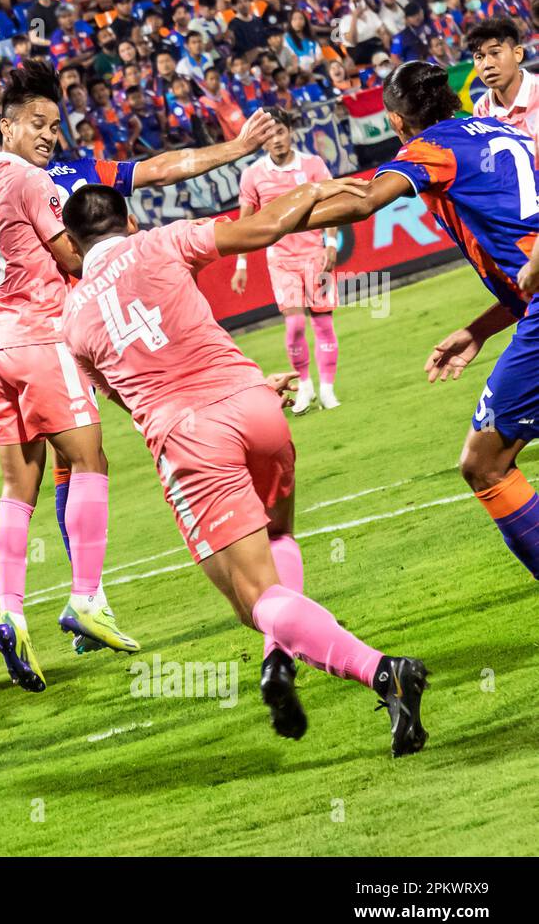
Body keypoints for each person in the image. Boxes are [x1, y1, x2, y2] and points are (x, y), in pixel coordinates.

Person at [57, 157, 429, 762]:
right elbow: (263, 227)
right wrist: (311, 188)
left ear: (72, 246)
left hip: (191, 437)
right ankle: (277, 662)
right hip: (255, 404)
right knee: (278, 536)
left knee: (252, 601)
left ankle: (385, 673)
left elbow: (128, 399)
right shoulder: (164, 240)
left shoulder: (72, 322)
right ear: (129, 219)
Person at [0, 61, 140, 692]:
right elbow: (69, 252)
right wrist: (117, 251)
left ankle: (10, 614)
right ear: (8, 127)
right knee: (92, 461)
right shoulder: (29, 178)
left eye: (54, 125)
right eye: (38, 124)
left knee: (18, 489)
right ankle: (87, 599)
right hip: (44, 339)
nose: (49, 135)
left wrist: (3, 244)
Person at [304, 61, 539, 586]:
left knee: (484, 464)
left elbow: (365, 202)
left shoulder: (429, 149)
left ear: (395, 120)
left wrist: (274, 221)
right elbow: (524, 258)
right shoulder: (500, 130)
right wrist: (478, 330)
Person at [232, 108, 341, 413]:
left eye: (280, 132)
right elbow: (244, 223)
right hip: (281, 260)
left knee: (323, 323)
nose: (276, 140)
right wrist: (241, 265)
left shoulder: (313, 164)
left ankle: (328, 390)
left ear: (291, 132)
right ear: (262, 140)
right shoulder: (253, 174)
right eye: (269, 135)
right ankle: (304, 385)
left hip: (315, 255)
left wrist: (331, 243)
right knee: (294, 324)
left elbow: (332, 205)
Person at [468, 17, 539, 139]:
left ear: (517, 54)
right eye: (479, 57)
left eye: (495, 53)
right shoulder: (481, 110)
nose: (487, 64)